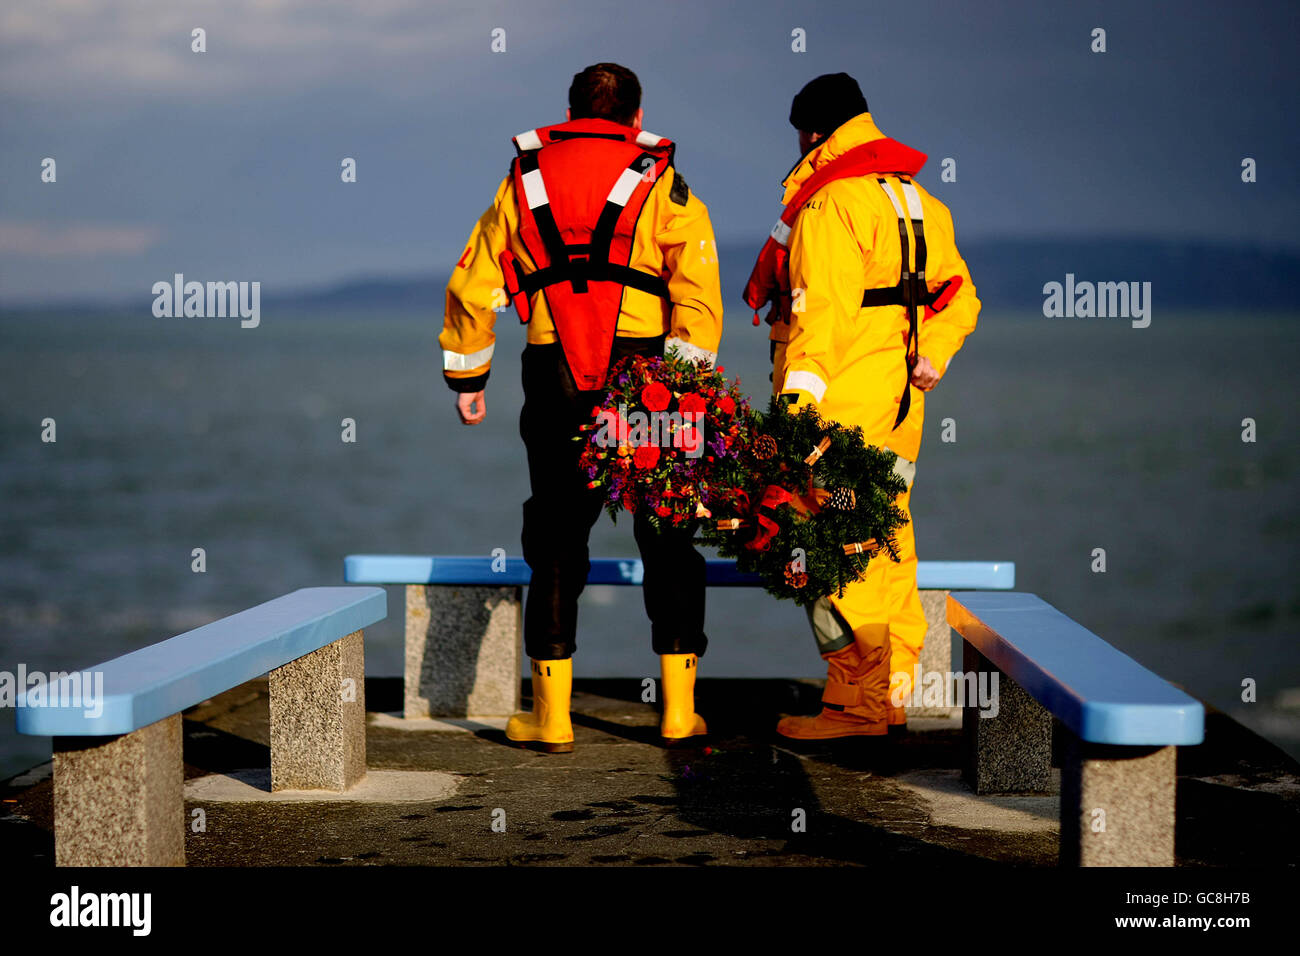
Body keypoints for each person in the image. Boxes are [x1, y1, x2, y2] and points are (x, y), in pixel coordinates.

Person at [440, 63, 724, 752]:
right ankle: (679, 712)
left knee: (560, 536)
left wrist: (468, 378)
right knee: (668, 530)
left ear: (570, 110)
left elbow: (477, 281)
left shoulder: (524, 178)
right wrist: (685, 381)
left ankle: (552, 717)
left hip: (555, 371)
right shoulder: (663, 178)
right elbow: (698, 285)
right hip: (649, 374)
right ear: (634, 115)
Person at [743, 73, 980, 739]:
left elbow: (820, 317)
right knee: (887, 539)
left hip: (837, 408)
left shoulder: (830, 205)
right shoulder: (921, 203)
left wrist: (793, 410)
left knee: (822, 543)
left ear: (813, 133)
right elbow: (960, 293)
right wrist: (933, 347)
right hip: (899, 408)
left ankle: (858, 703)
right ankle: (890, 692)